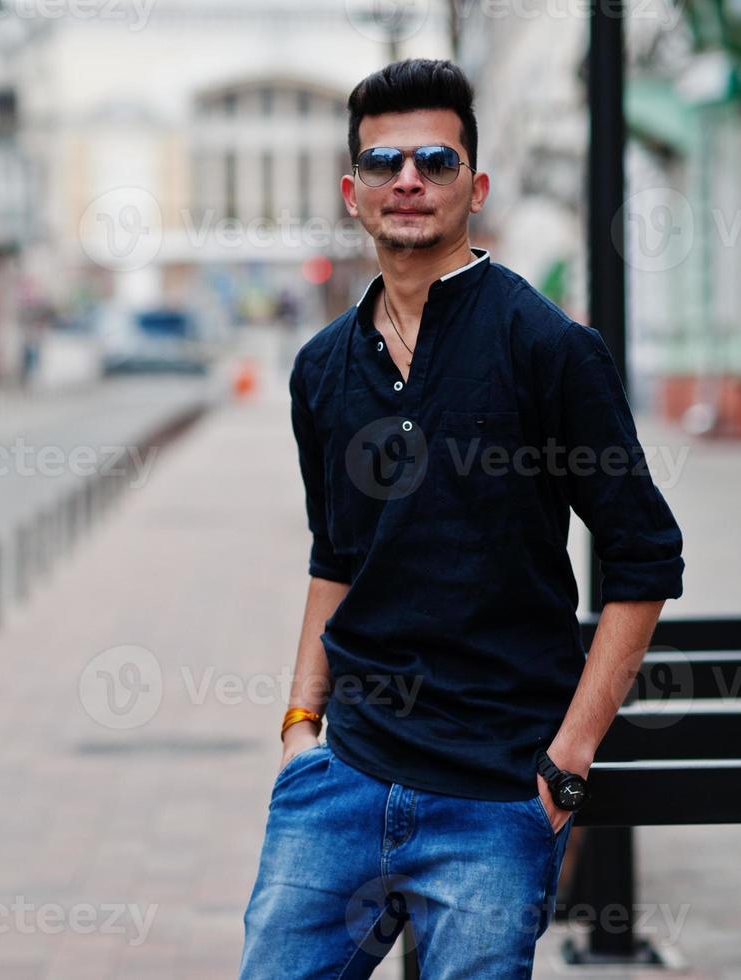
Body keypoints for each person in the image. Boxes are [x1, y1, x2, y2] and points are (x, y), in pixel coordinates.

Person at [238, 58, 685, 979]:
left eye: (435, 160)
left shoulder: (549, 349)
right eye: (384, 162)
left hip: (494, 800)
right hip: (342, 785)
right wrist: (298, 731)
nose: (408, 179)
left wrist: (565, 766)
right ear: (352, 192)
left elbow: (645, 559)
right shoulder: (321, 369)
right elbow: (336, 558)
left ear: (473, 188)